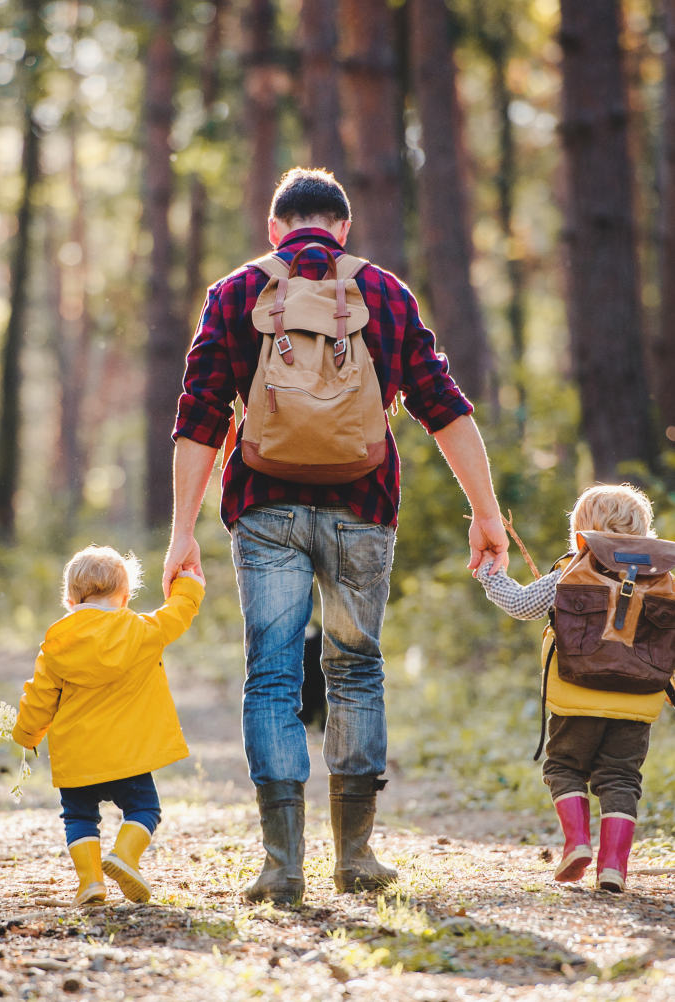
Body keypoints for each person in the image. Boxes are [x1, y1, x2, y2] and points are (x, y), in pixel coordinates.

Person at [165, 168, 508, 904]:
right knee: (355, 670)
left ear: (274, 229)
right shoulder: (383, 293)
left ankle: (281, 864)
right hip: (363, 509)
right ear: (343, 229)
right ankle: (356, 857)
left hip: (264, 509)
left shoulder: (235, 293)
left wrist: (179, 535)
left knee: (274, 676)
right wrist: (486, 514)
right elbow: (441, 404)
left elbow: (201, 415)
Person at [477, 484, 671, 893]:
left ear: (582, 530)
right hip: (638, 703)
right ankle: (614, 867)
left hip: (576, 697)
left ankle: (577, 843)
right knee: (621, 778)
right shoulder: (665, 580)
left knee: (564, 768)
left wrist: (489, 574)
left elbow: (522, 605)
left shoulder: (572, 569)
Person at [11, 545, 205, 905]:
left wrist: (26, 734)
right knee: (145, 809)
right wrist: (189, 585)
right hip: (127, 755)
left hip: (78, 756)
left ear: (69, 598)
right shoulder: (140, 630)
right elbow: (175, 615)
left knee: (80, 817)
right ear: (125, 597)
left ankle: (90, 883)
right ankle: (125, 857)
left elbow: (39, 697)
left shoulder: (57, 644)